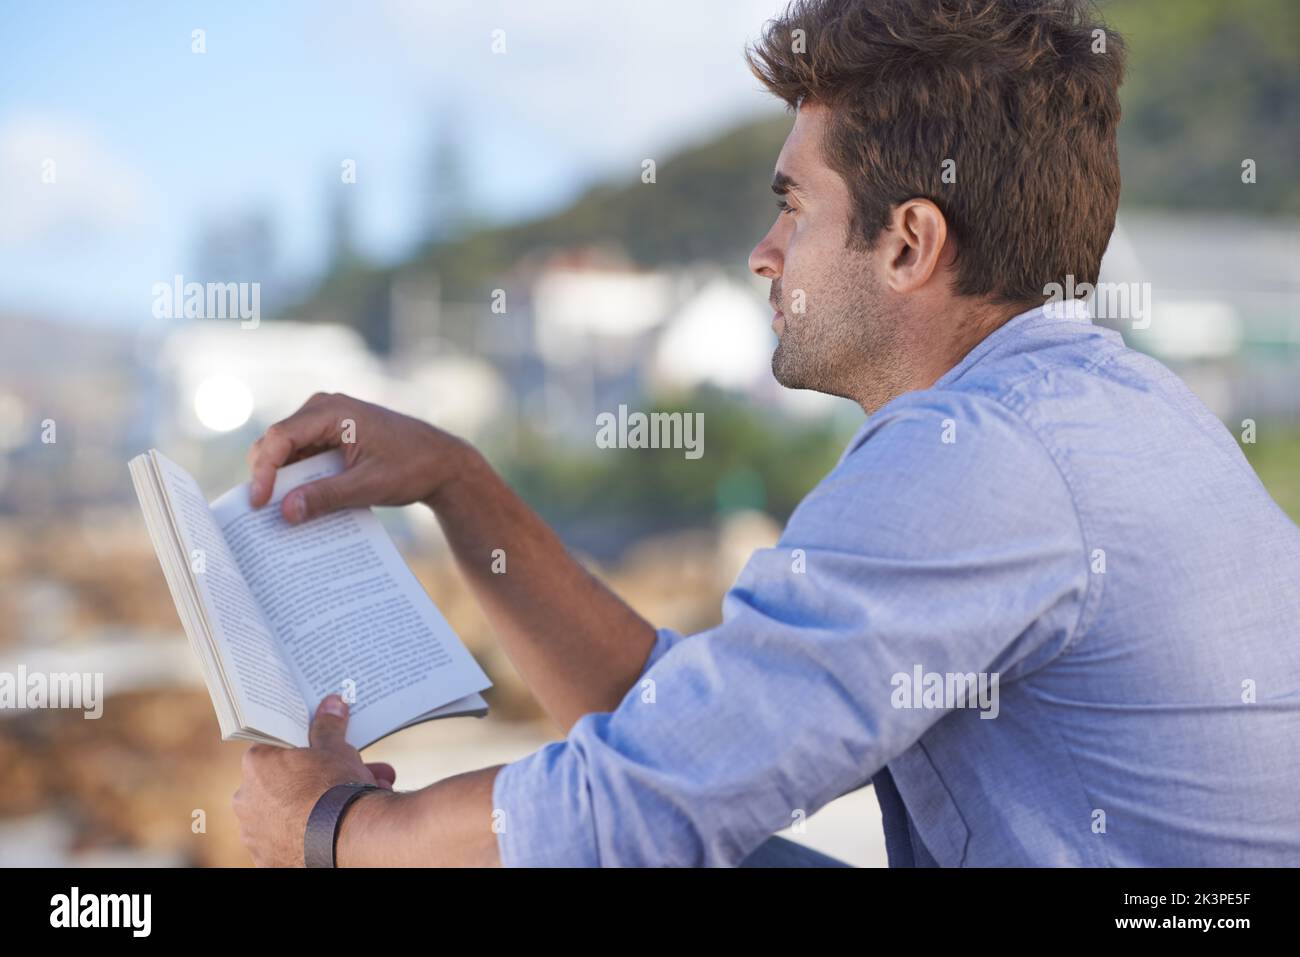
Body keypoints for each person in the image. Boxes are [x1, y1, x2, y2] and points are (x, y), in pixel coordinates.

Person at [233, 0, 1300, 867]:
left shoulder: (982, 458)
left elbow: (644, 810)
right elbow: (690, 741)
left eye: (794, 205)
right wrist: (460, 486)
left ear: (908, 243)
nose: (763, 251)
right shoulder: (1111, 409)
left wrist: (337, 835)